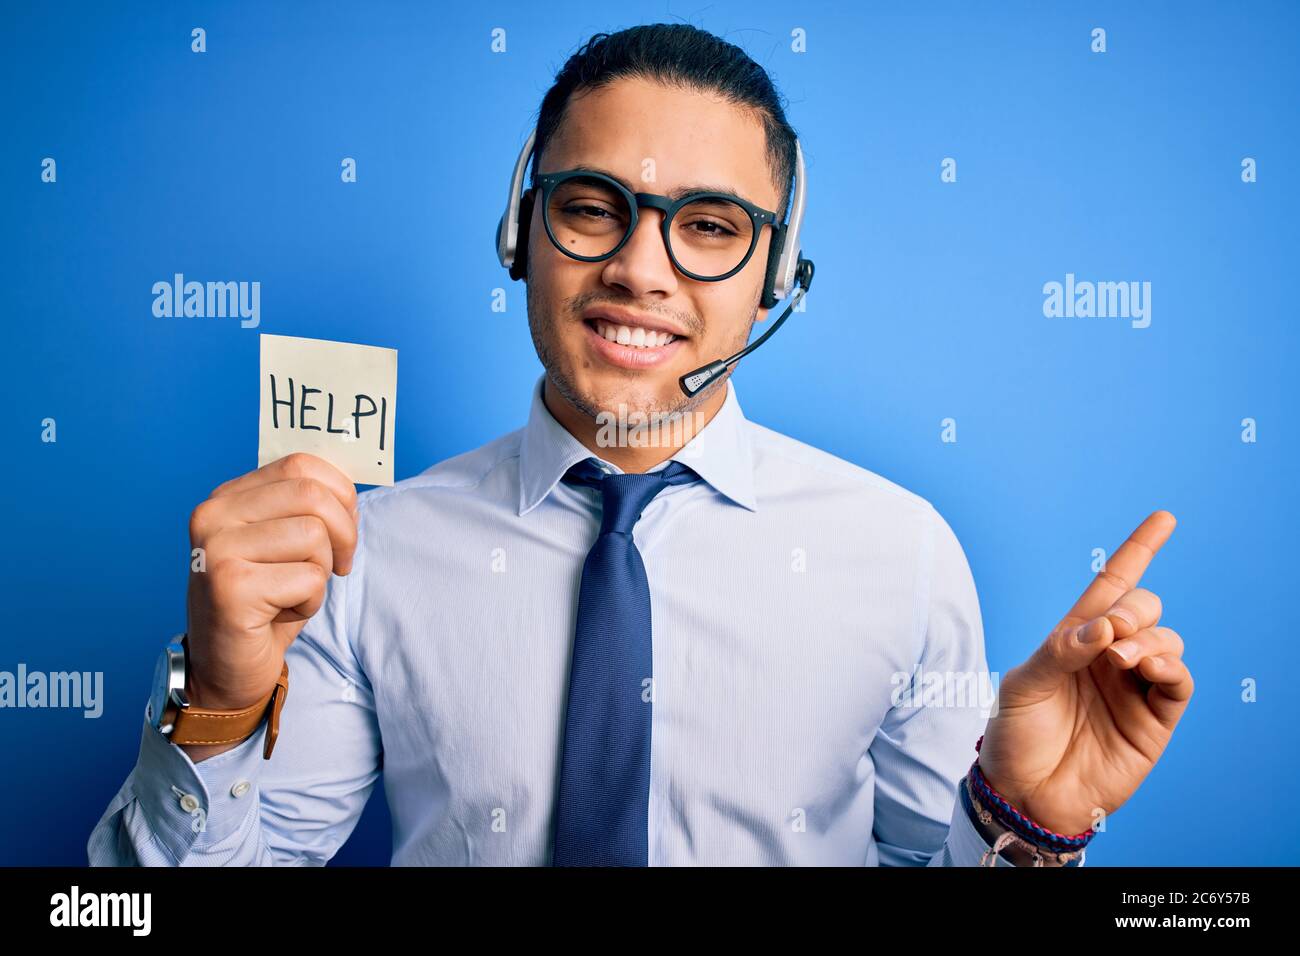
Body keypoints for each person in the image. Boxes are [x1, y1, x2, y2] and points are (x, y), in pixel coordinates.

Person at [88, 23, 1192, 867]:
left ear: (774, 277)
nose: (641, 270)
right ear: (523, 231)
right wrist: (219, 702)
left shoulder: (900, 552)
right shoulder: (359, 548)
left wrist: (1023, 826)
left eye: (709, 227)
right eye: (591, 206)